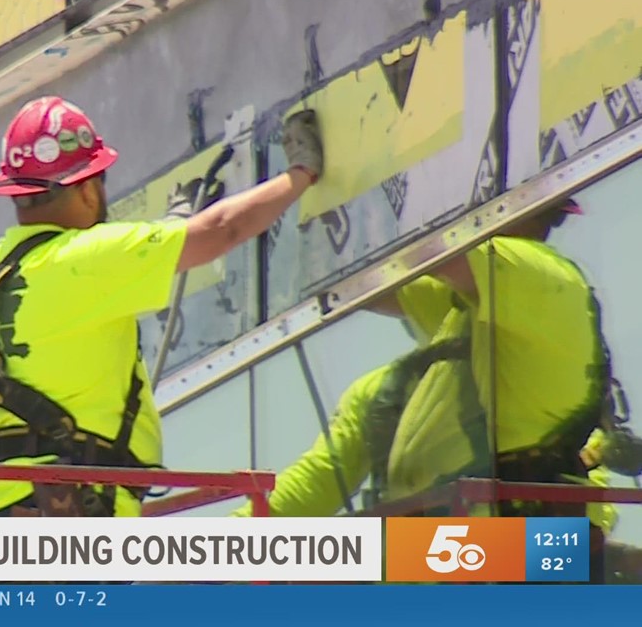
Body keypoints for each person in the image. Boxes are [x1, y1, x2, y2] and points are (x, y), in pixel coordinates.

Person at [0, 96, 325, 520]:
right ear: (86, 188)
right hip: (66, 513)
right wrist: (301, 174)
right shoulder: (85, 257)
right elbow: (222, 229)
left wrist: (169, 229)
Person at [232, 197, 626, 583]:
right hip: (464, 558)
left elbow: (437, 255)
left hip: (530, 551)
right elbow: (312, 485)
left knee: (342, 561)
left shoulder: (543, 279)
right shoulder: (394, 390)